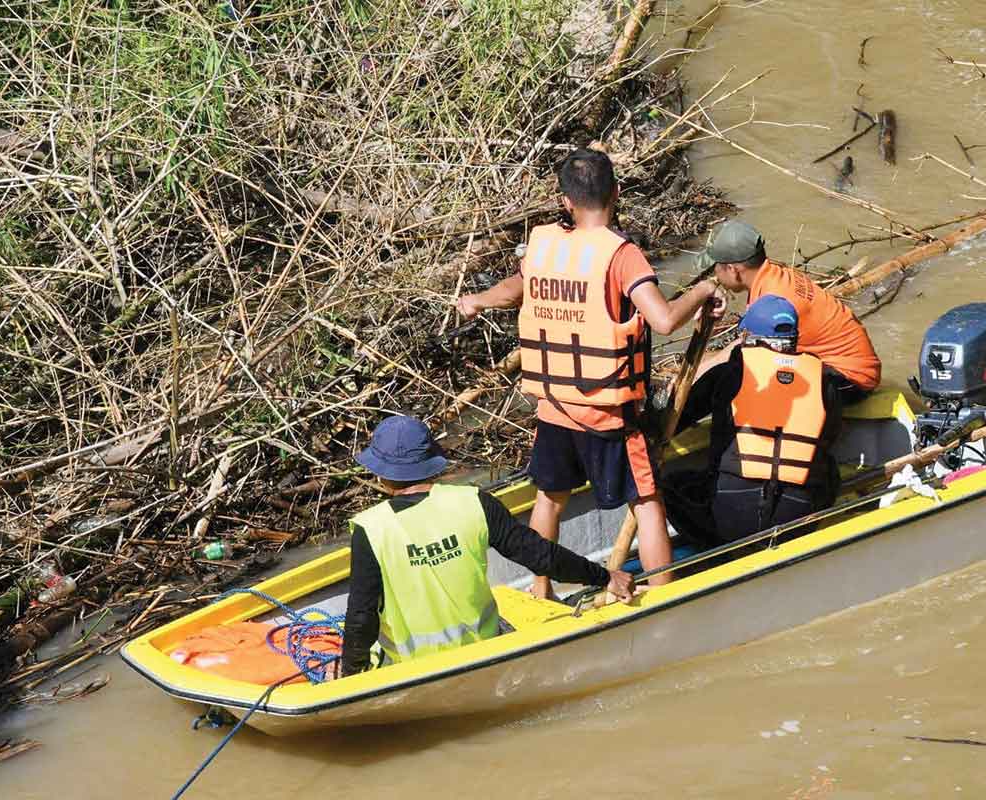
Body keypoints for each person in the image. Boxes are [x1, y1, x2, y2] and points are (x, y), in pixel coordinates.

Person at [456, 147, 724, 599]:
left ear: (566, 202)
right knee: (648, 500)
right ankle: (664, 595)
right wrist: (701, 289)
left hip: (555, 405)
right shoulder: (622, 255)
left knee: (549, 498)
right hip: (608, 412)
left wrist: (476, 300)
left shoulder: (545, 247)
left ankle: (540, 593)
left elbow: (512, 291)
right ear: (616, 193)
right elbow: (662, 320)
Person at [341, 415, 636, 676]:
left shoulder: (372, 528)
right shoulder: (473, 502)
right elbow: (540, 555)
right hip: (486, 657)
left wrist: (350, 677)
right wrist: (605, 577)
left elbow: (360, 616)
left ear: (381, 474)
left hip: (414, 672)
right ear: (432, 463)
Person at [663, 295, 842, 547]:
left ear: (749, 337)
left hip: (732, 516)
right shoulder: (824, 380)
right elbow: (830, 434)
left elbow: (670, 423)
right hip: (799, 515)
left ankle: (717, 551)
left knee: (670, 485)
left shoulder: (728, 373)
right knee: (829, 471)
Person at [693, 220, 881, 404]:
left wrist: (694, 378)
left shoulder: (773, 295)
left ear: (732, 270)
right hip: (848, 366)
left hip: (851, 380)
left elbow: (741, 351)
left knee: (735, 377)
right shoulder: (773, 275)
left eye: (715, 268)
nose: (715, 275)